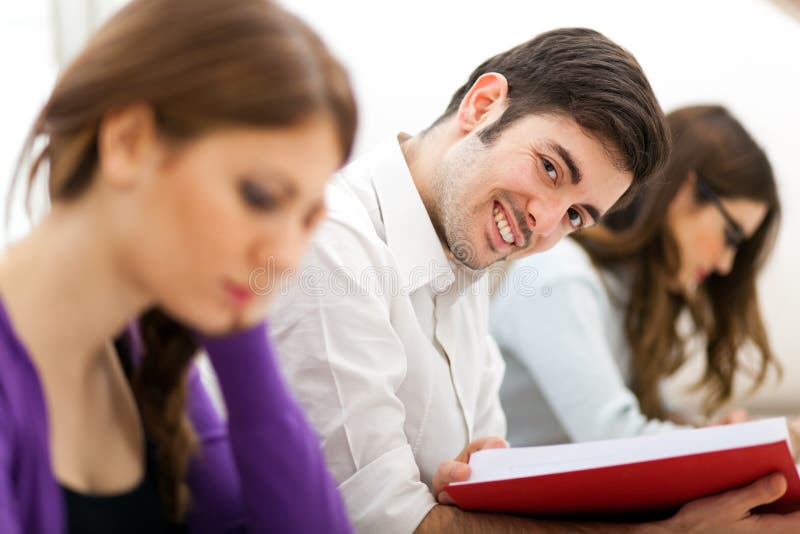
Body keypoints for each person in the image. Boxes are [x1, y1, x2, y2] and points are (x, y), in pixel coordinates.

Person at [267, 28, 800, 533]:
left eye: (575, 216)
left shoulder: (465, 266)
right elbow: (388, 523)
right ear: (482, 107)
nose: (543, 226)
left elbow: (471, 485)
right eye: (550, 168)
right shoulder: (334, 247)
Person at [0, 0, 356, 532]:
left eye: (306, 220)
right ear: (128, 142)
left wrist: (237, 327)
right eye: (259, 196)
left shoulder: (145, 355)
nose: (285, 258)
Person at [492, 105, 782, 447]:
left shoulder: (630, 297)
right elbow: (615, 438)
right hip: (502, 498)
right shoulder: (560, 277)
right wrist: (743, 444)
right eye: (731, 235)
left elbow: (643, 421)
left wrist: (711, 434)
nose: (726, 265)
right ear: (683, 192)